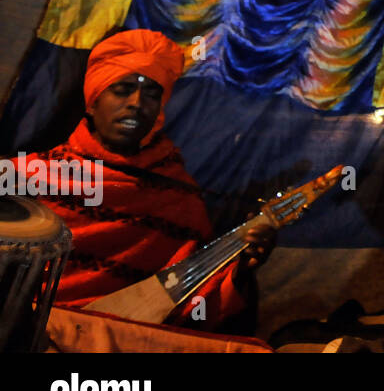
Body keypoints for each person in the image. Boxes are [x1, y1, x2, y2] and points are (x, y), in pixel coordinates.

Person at [13, 29, 273, 332]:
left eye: (151, 93)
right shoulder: (27, 177)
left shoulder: (178, 198)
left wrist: (240, 266)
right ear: (93, 101)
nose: (137, 103)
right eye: (122, 89)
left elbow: (190, 302)